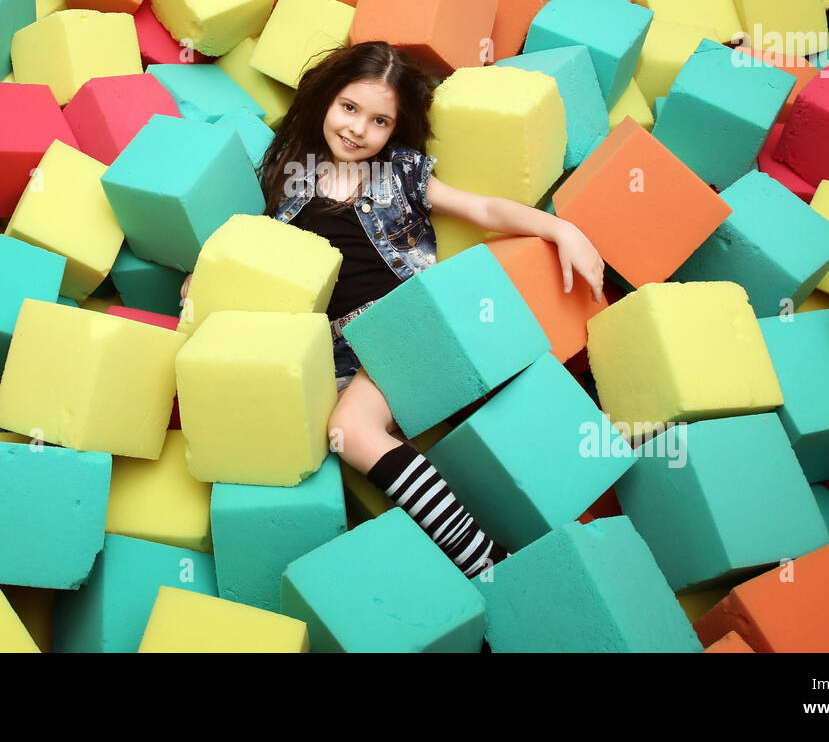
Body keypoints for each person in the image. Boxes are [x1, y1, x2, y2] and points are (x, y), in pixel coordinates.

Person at [181, 41, 606, 579]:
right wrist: (206, 275)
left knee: (352, 431)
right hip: (341, 356)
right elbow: (258, 259)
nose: (359, 129)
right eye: (350, 109)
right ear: (326, 101)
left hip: (409, 322)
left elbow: (480, 207)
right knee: (301, 423)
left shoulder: (400, 174)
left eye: (379, 121)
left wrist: (559, 227)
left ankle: (486, 562)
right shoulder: (290, 180)